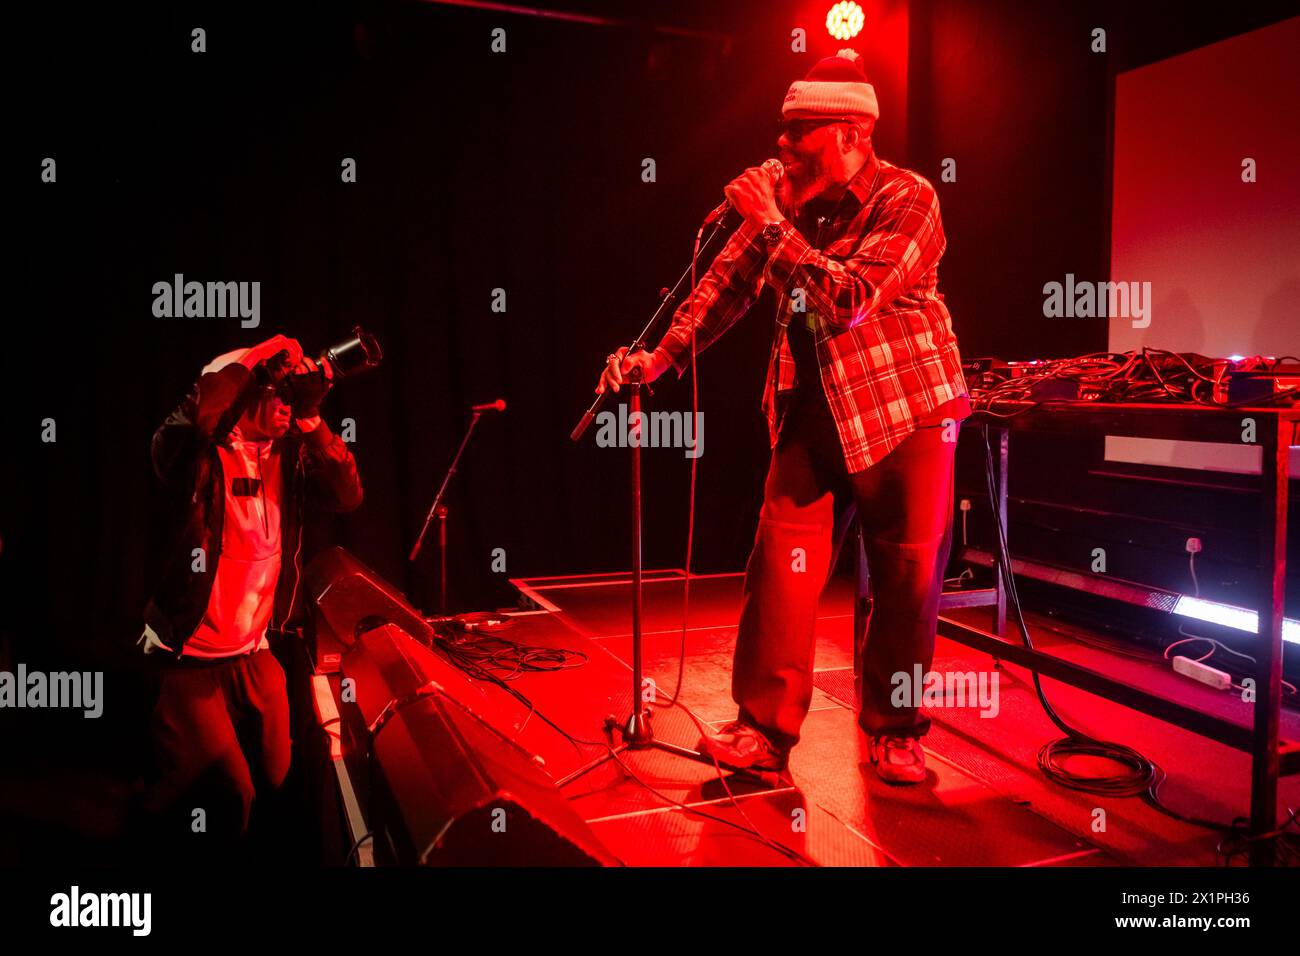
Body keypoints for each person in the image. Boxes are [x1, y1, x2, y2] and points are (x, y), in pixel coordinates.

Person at [596, 49, 969, 784]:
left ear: (851, 135)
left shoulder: (909, 196)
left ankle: (895, 730)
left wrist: (771, 220)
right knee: (781, 567)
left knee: (906, 575)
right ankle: (763, 730)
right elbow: (725, 285)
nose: (781, 145)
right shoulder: (791, 207)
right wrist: (660, 359)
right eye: (780, 128)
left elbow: (851, 300)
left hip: (908, 408)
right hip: (814, 404)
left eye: (799, 130)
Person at [138, 333, 363, 850]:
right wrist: (261, 354)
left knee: (282, 778)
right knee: (225, 794)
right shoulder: (192, 457)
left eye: (292, 398)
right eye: (277, 395)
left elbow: (348, 494)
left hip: (252, 652)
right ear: (243, 395)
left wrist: (310, 416)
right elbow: (200, 413)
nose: (286, 405)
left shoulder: (287, 456)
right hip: (186, 659)